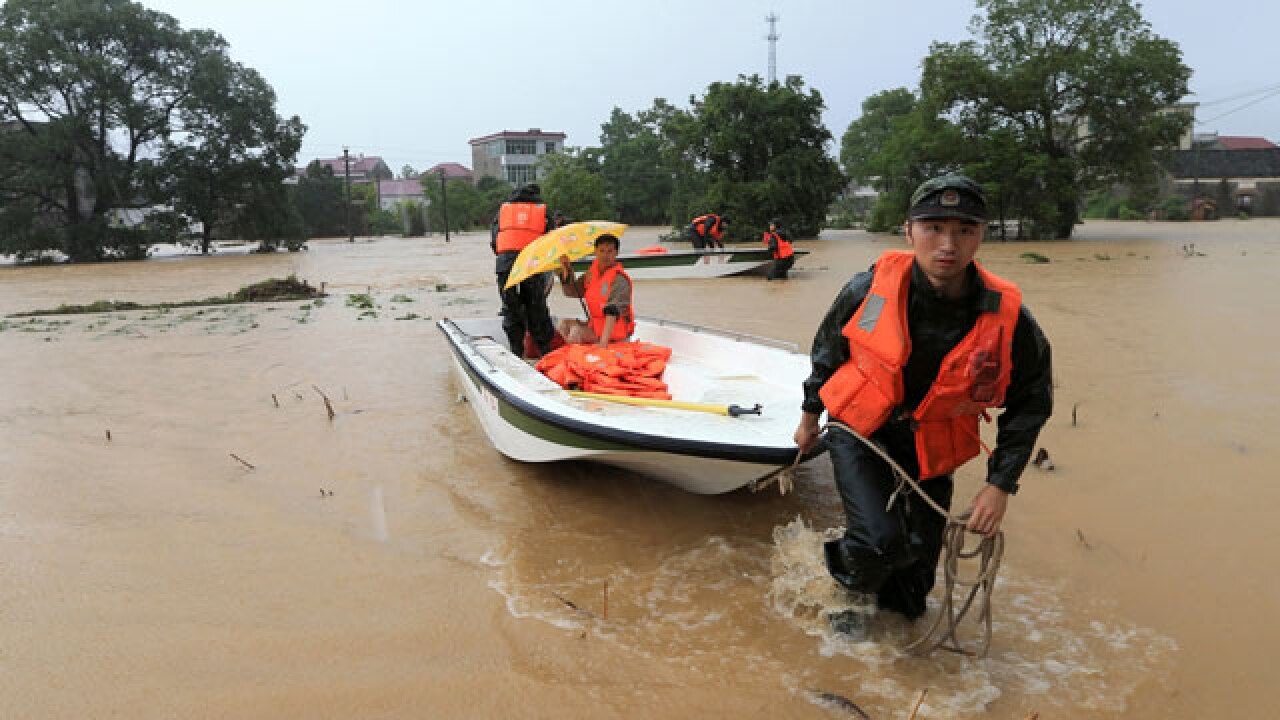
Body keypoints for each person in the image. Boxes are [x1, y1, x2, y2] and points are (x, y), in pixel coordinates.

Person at [792, 174, 1053, 640]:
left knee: (913, 590)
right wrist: (809, 417)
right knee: (880, 541)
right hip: (861, 430)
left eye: (964, 230)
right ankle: (846, 594)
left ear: (981, 235)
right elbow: (828, 351)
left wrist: (999, 485)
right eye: (933, 228)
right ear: (909, 231)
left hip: (931, 444)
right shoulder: (869, 290)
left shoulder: (1008, 318)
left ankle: (898, 646)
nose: (948, 245)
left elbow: (1031, 402)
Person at [491, 183, 555, 357]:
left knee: (510, 307)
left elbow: (495, 241)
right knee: (536, 306)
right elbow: (552, 240)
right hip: (532, 263)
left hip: (505, 264)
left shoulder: (503, 211)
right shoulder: (542, 211)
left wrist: (505, 255)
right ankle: (544, 351)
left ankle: (516, 351)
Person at [555, 234, 634, 347]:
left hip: (615, 331)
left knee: (576, 333)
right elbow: (572, 292)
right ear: (595, 252)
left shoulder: (619, 279)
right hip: (597, 326)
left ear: (616, 253)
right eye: (601, 251)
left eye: (609, 251)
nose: (605, 255)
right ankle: (561, 354)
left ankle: (573, 356)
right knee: (564, 324)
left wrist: (603, 343)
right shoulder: (591, 273)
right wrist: (567, 268)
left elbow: (613, 311)